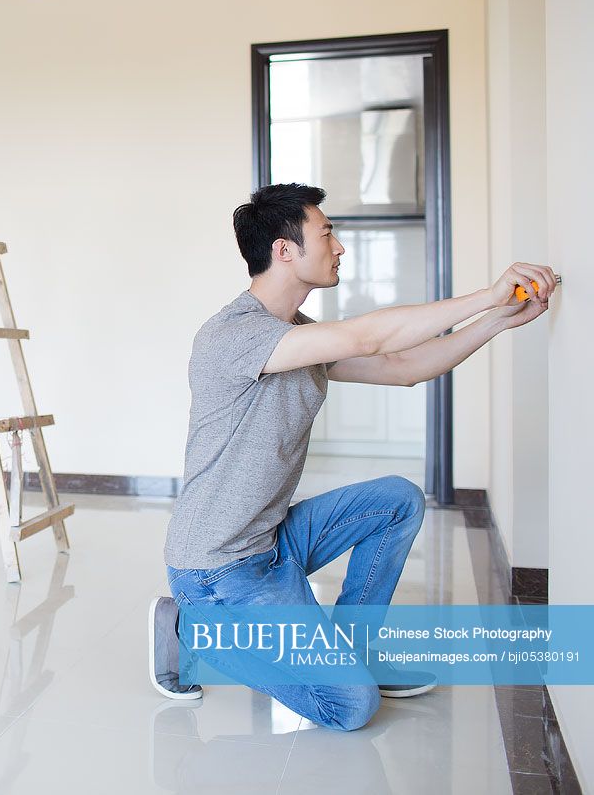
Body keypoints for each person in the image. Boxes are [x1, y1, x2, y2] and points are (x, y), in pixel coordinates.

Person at [148, 183, 557, 730]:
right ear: (284, 250)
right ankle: (188, 632)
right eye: (327, 233)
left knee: (395, 500)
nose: (339, 247)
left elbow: (402, 367)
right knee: (350, 706)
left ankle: (349, 649)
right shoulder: (234, 334)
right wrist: (487, 294)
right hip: (218, 571)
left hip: (271, 543)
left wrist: (498, 321)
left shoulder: (298, 334)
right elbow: (368, 338)